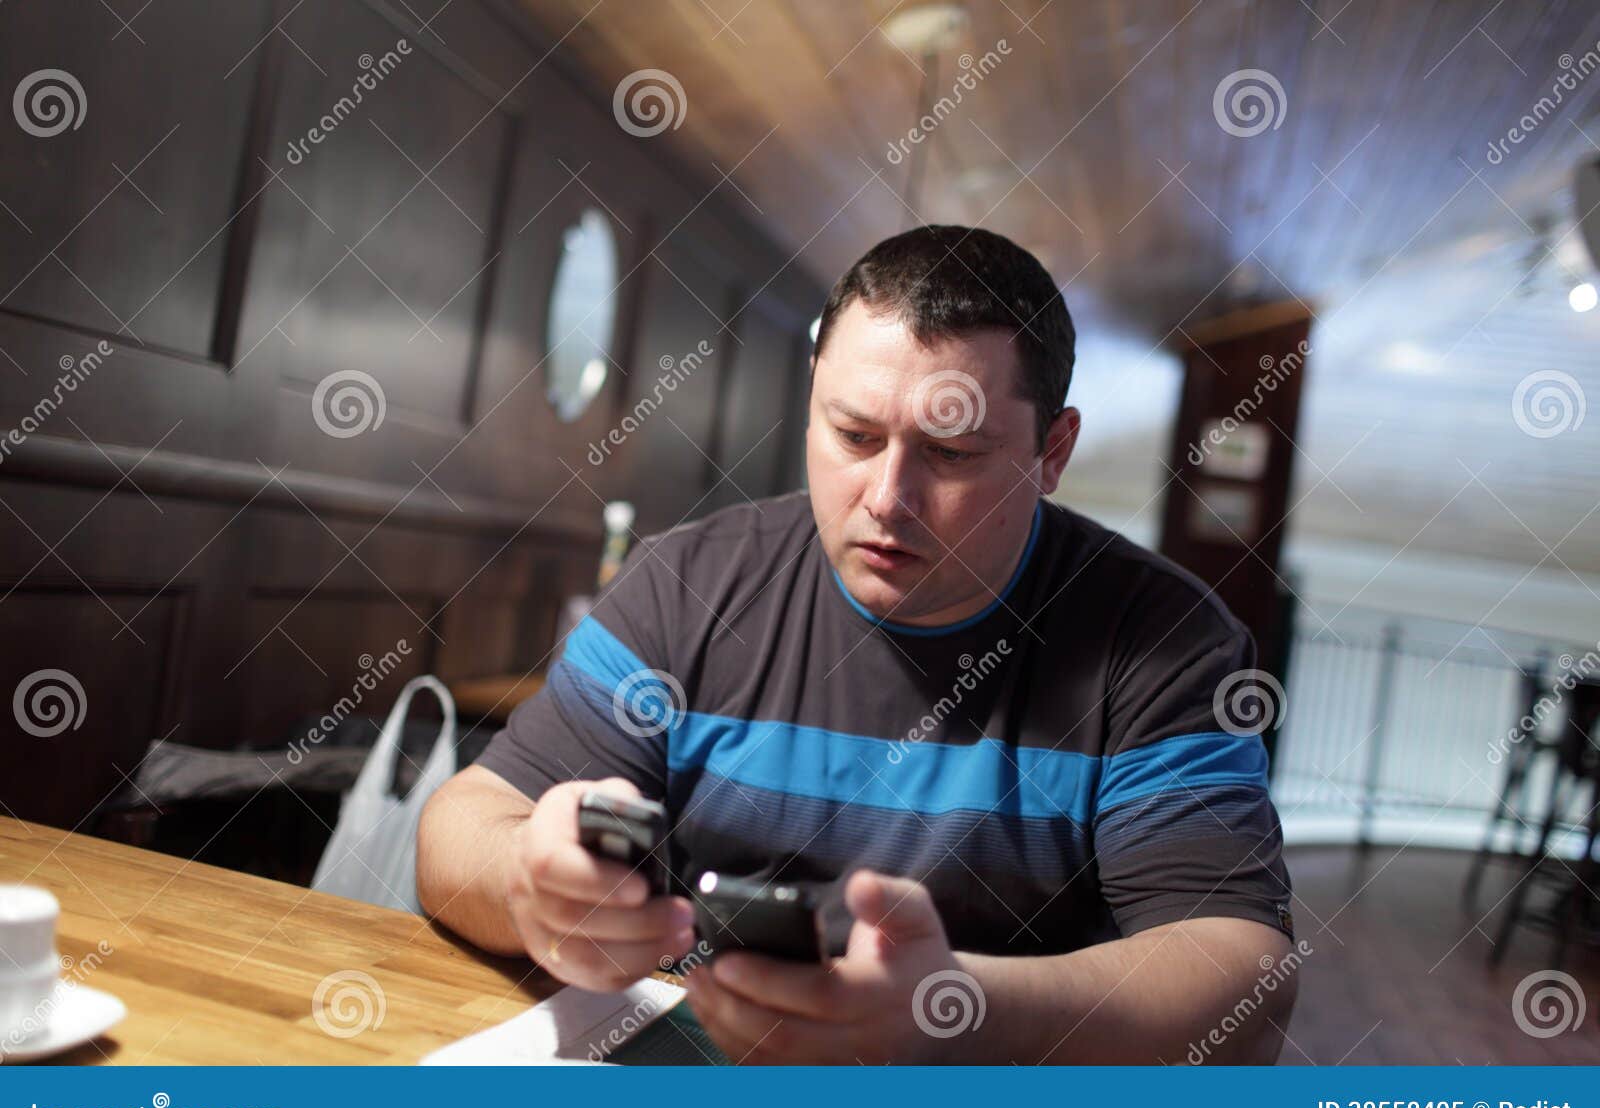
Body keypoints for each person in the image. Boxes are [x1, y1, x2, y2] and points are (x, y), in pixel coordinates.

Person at [416, 224, 1298, 1064]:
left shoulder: (1164, 643)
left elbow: (1244, 983)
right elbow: (460, 824)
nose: (887, 496)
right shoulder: (688, 585)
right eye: (854, 435)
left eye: (950, 453)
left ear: (1053, 451)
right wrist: (530, 883)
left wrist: (950, 1007)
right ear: (812, 403)